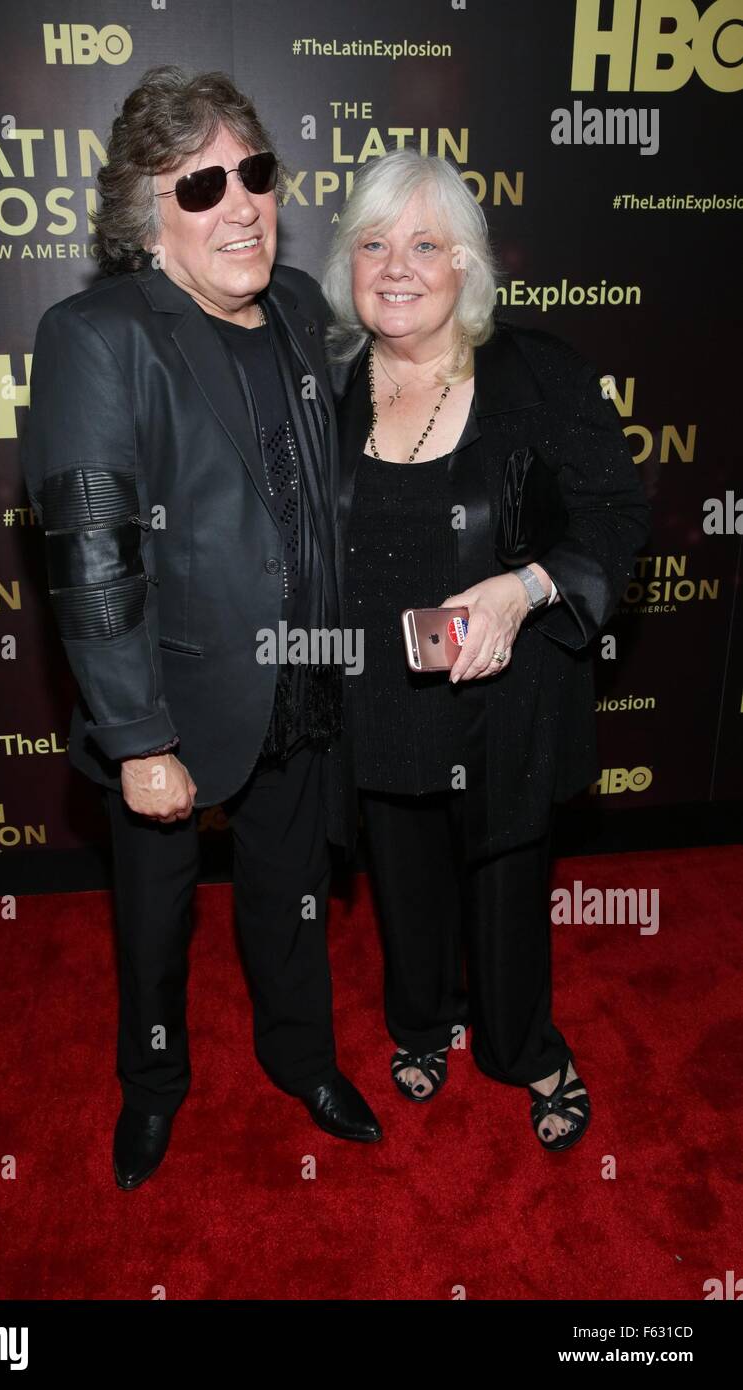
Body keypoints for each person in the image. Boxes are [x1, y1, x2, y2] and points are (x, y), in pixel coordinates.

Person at [21, 66, 381, 1192]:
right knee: (155, 921)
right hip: (172, 705)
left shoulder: (301, 303)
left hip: (300, 681)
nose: (240, 205)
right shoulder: (94, 334)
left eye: (254, 174)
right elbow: (90, 556)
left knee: (291, 894)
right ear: (146, 217)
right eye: (200, 185)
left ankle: (302, 1059)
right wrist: (135, 738)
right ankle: (153, 1088)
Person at [322, 147, 651, 1151]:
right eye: (372, 242)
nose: (394, 264)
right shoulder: (323, 391)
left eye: (424, 243)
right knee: (402, 868)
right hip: (375, 693)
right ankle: (419, 1020)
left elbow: (614, 513)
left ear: (467, 264)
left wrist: (523, 589)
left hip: (504, 694)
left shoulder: (533, 372)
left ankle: (521, 1046)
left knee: (507, 882)